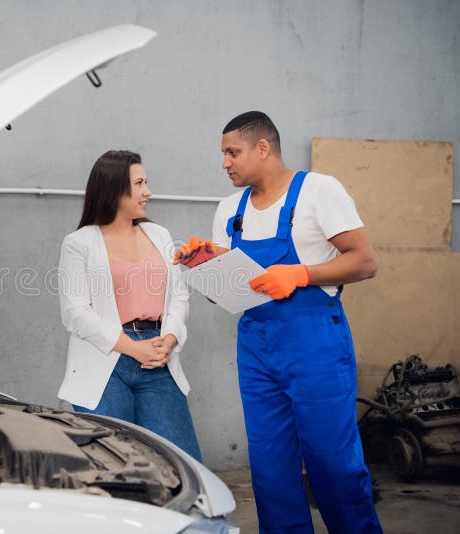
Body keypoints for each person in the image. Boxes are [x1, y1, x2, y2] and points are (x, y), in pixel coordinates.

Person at [175, 112, 382, 532]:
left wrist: (301, 273)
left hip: (316, 346)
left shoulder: (319, 191)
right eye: (223, 154)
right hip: (256, 347)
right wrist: (202, 264)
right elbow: (227, 295)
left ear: (263, 148)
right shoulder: (229, 210)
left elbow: (364, 262)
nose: (225, 163)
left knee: (333, 465)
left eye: (232, 152)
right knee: (271, 469)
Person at [57, 149, 202, 460]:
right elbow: (75, 313)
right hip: (105, 361)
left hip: (158, 357)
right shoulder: (79, 243)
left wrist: (171, 339)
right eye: (139, 183)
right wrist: (132, 347)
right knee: (113, 464)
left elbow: (178, 295)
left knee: (181, 461)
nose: (147, 191)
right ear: (113, 189)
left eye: (145, 182)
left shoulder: (159, 235)